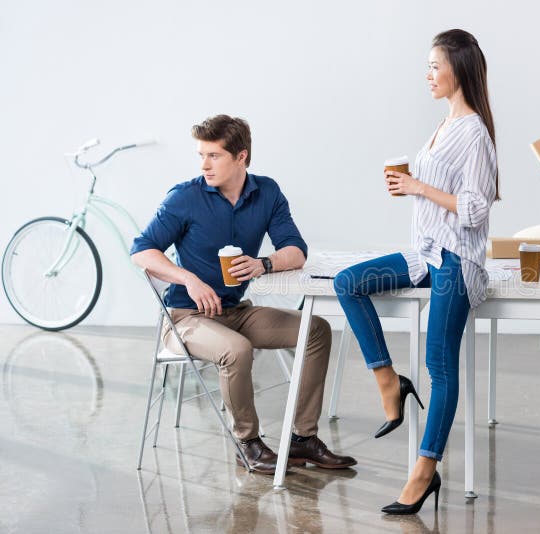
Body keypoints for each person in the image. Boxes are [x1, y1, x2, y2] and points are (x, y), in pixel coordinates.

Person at [131, 115, 356, 475]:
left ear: (241, 157)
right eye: (201, 155)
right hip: (185, 319)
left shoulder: (266, 193)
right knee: (237, 350)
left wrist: (264, 264)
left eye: (214, 155)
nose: (204, 164)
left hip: (236, 311)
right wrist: (188, 278)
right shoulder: (185, 197)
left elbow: (296, 250)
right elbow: (141, 250)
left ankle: (302, 439)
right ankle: (248, 443)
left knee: (315, 330)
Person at [333, 29, 497, 514]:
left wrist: (418, 187)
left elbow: (474, 210)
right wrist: (412, 187)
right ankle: (389, 382)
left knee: (440, 366)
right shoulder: (446, 124)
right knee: (349, 283)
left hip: (456, 260)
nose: (427, 75)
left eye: (434, 66)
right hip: (426, 254)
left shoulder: (475, 134)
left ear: (459, 69)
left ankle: (425, 471)